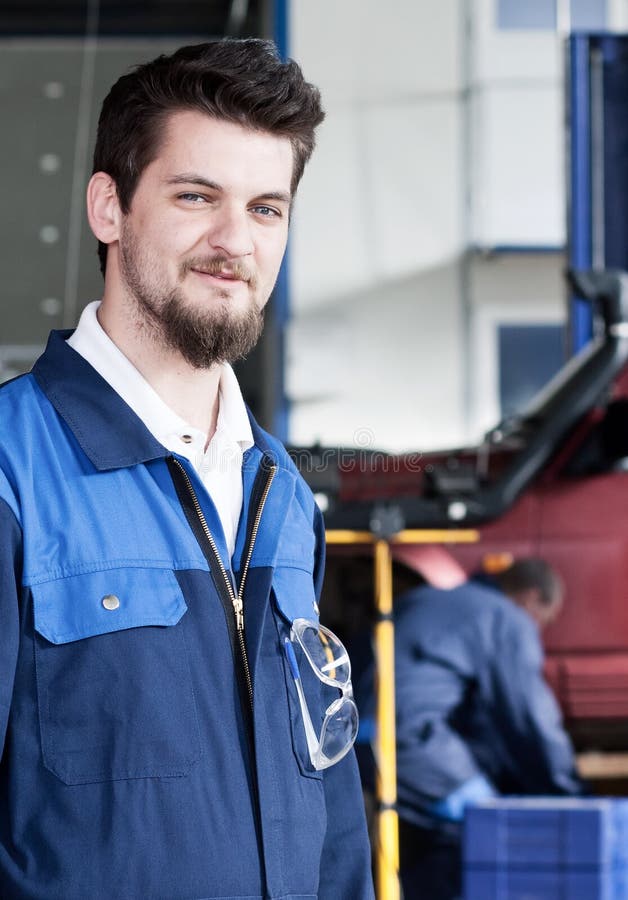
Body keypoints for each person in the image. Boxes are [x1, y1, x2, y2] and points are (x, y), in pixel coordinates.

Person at [0, 40, 374, 899]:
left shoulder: (282, 495)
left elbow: (329, 798)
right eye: (196, 196)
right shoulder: (13, 473)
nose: (234, 241)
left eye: (267, 208)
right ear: (108, 208)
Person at [394, 558, 582, 900]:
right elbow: (531, 719)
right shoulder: (505, 619)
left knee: (422, 833)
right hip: (408, 741)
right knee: (488, 827)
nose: (537, 630)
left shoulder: (433, 599)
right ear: (530, 597)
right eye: (542, 619)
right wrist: (569, 791)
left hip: (348, 737)